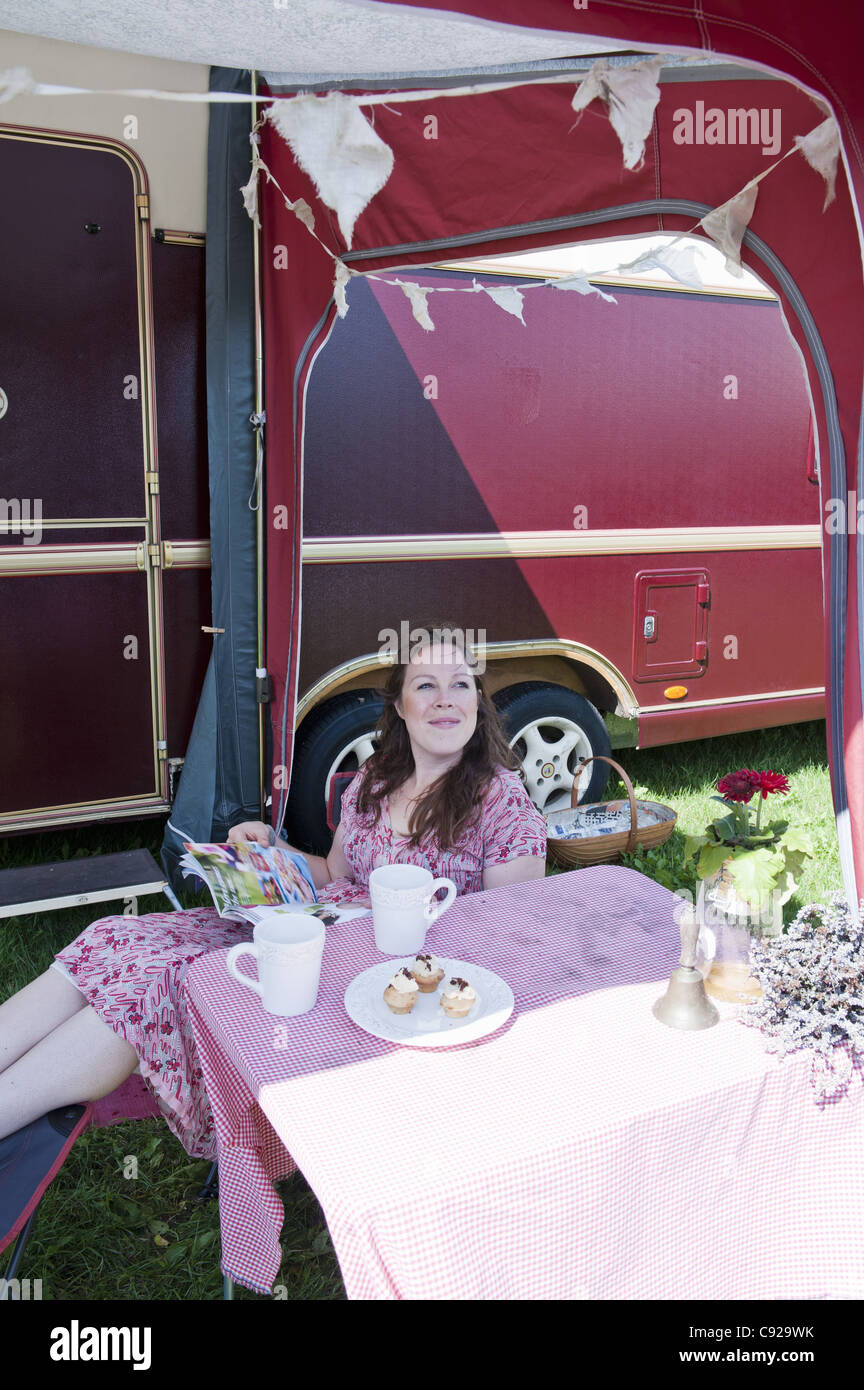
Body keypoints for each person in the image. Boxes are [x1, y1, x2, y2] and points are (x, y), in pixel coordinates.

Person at [0, 628, 546, 1156]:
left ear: (479, 702)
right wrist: (274, 851)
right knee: (118, 936)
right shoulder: (378, 777)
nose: (444, 700)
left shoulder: (500, 800)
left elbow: (504, 935)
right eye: (425, 684)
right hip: (310, 923)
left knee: (163, 982)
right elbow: (334, 872)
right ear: (400, 706)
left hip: (379, 966)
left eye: (460, 684)